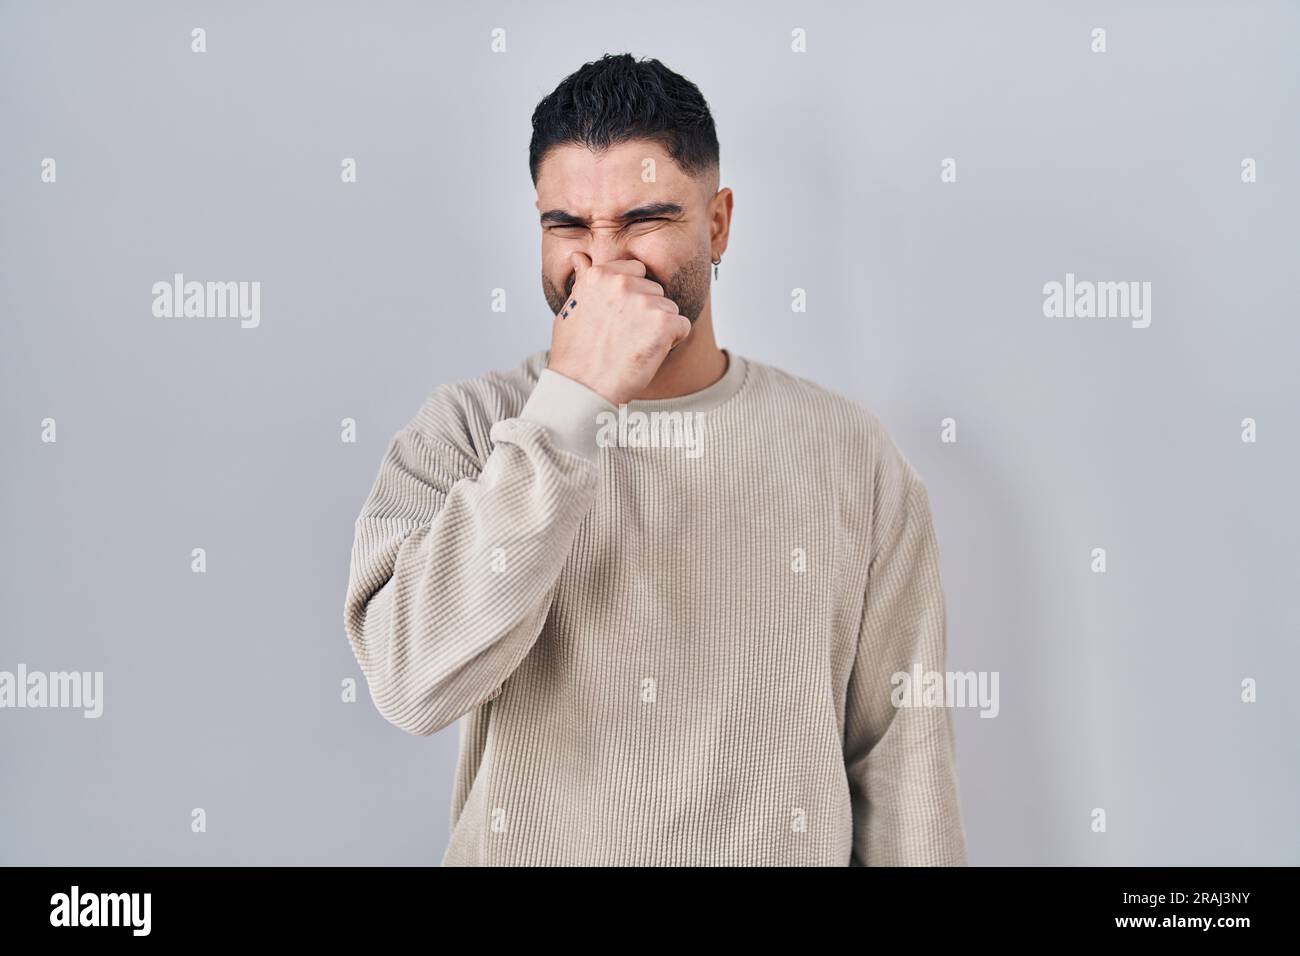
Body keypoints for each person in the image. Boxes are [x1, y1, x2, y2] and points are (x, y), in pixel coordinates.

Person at [343, 52, 968, 866]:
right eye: (567, 225)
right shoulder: (467, 429)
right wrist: (573, 404)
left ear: (717, 225)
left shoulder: (850, 453)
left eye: (643, 219)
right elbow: (409, 681)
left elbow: (905, 769)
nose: (603, 264)